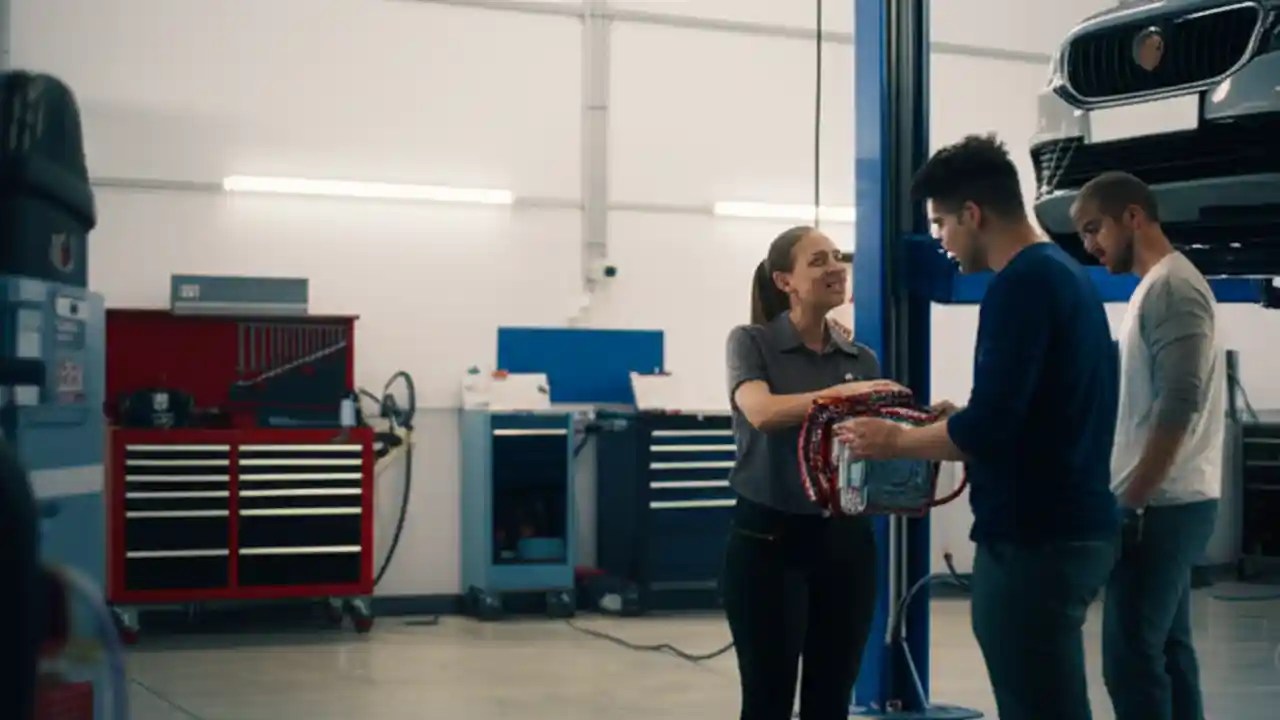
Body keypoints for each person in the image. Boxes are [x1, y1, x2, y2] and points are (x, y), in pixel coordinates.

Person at [836, 134, 1120, 720]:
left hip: (1033, 540)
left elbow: (989, 431)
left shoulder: (1020, 286)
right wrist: (956, 419)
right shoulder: (1065, 278)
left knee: (1038, 702)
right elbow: (1031, 411)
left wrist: (895, 441)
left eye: (941, 223)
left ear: (973, 214)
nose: (939, 239)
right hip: (1070, 528)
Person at [723, 225, 899, 720]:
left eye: (837, 257)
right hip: (768, 541)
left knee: (831, 698)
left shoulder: (860, 358)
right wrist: (844, 398)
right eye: (818, 261)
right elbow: (762, 412)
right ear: (785, 281)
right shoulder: (751, 343)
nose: (835, 267)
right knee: (768, 698)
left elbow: (873, 441)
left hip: (845, 541)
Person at [1071, 171, 1224, 720]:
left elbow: (1178, 402)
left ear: (1132, 217)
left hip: (1161, 508)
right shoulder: (1155, 287)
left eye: (1095, 229)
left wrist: (1131, 499)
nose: (1090, 246)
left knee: (1131, 658)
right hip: (1166, 502)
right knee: (1168, 650)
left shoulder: (1173, 289)